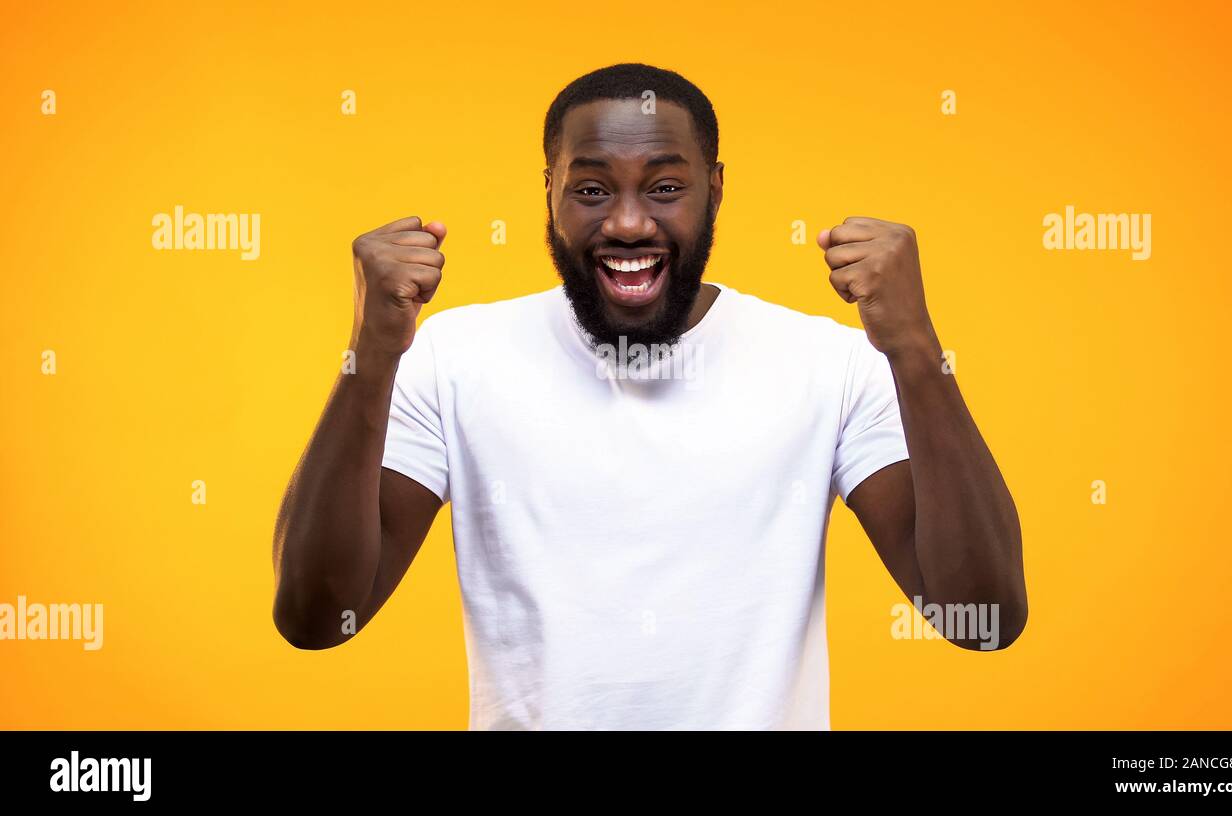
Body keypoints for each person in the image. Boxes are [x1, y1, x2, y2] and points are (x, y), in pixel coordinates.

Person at [271, 62, 1027, 730]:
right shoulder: (454, 358)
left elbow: (986, 617)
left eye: (666, 187)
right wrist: (371, 355)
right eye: (592, 189)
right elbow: (314, 618)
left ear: (716, 188)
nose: (628, 222)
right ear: (549, 193)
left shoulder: (828, 363)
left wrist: (917, 349)